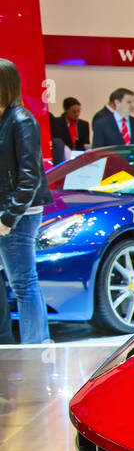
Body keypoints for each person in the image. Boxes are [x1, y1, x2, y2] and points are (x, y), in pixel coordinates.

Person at [0, 59, 52, 344]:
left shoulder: (21, 120)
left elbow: (30, 176)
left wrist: (9, 217)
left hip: (19, 213)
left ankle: (36, 344)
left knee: (23, 282)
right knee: (20, 281)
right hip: (10, 211)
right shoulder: (6, 120)